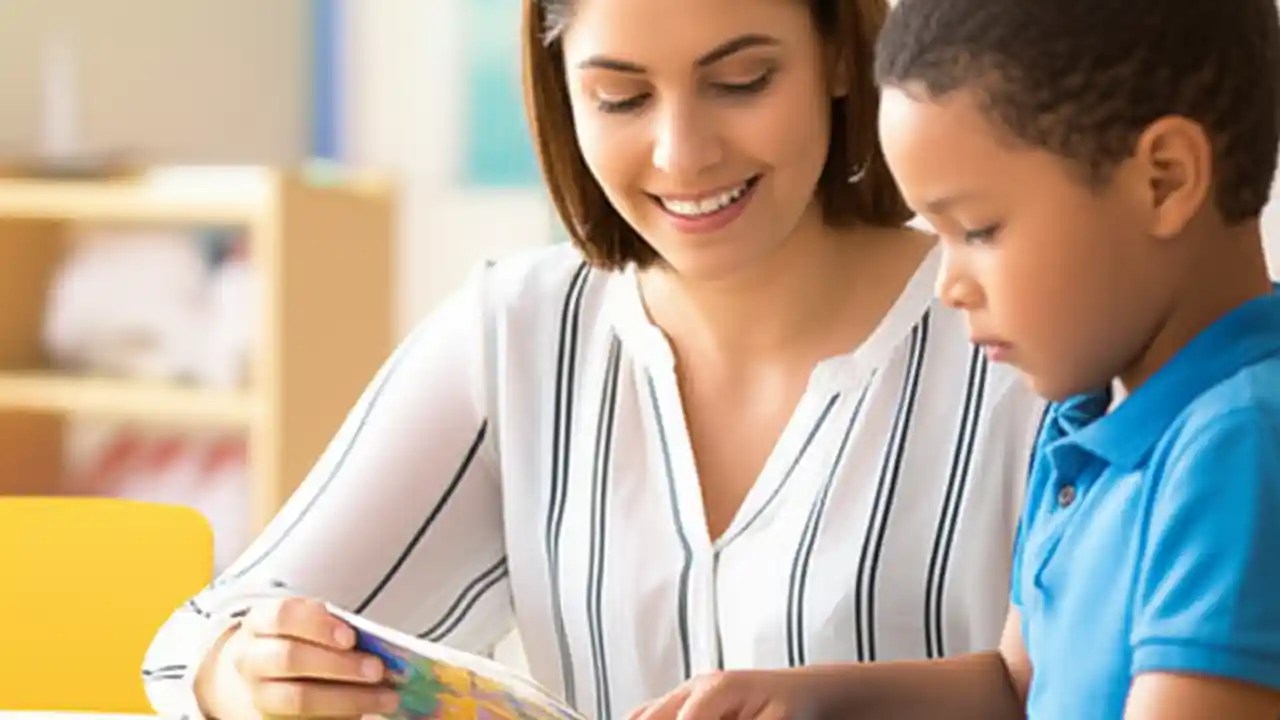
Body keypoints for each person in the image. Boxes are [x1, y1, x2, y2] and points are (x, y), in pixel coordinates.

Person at [142, 0, 1044, 717]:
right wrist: (245, 676)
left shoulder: (1017, 331)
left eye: (741, 80)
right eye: (621, 97)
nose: (681, 153)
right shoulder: (518, 334)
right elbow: (192, 644)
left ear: (840, 57)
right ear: (562, 89)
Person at [628, 0, 1280, 718]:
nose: (949, 285)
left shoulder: (1240, 447)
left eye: (978, 229)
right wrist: (798, 695)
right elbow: (1015, 685)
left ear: (1164, 180)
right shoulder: (1090, 415)